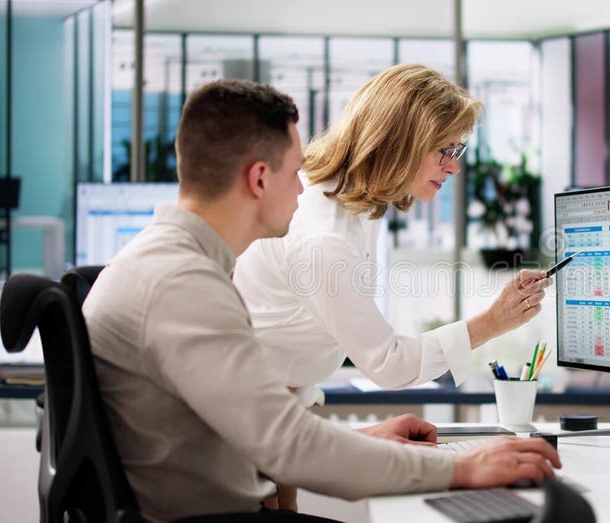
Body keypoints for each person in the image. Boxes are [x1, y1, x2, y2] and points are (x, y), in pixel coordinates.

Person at [82, 79, 560, 522]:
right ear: (259, 179)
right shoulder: (185, 283)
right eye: (297, 171)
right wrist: (465, 470)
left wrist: (357, 442)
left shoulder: (174, 263)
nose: (304, 186)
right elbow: (285, 444)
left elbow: (260, 433)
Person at [233, 63, 551, 408]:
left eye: (457, 151)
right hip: (251, 417)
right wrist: (493, 321)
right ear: (400, 144)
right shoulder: (324, 236)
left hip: (280, 408)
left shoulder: (351, 203)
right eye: (445, 150)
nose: (454, 167)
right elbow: (388, 363)